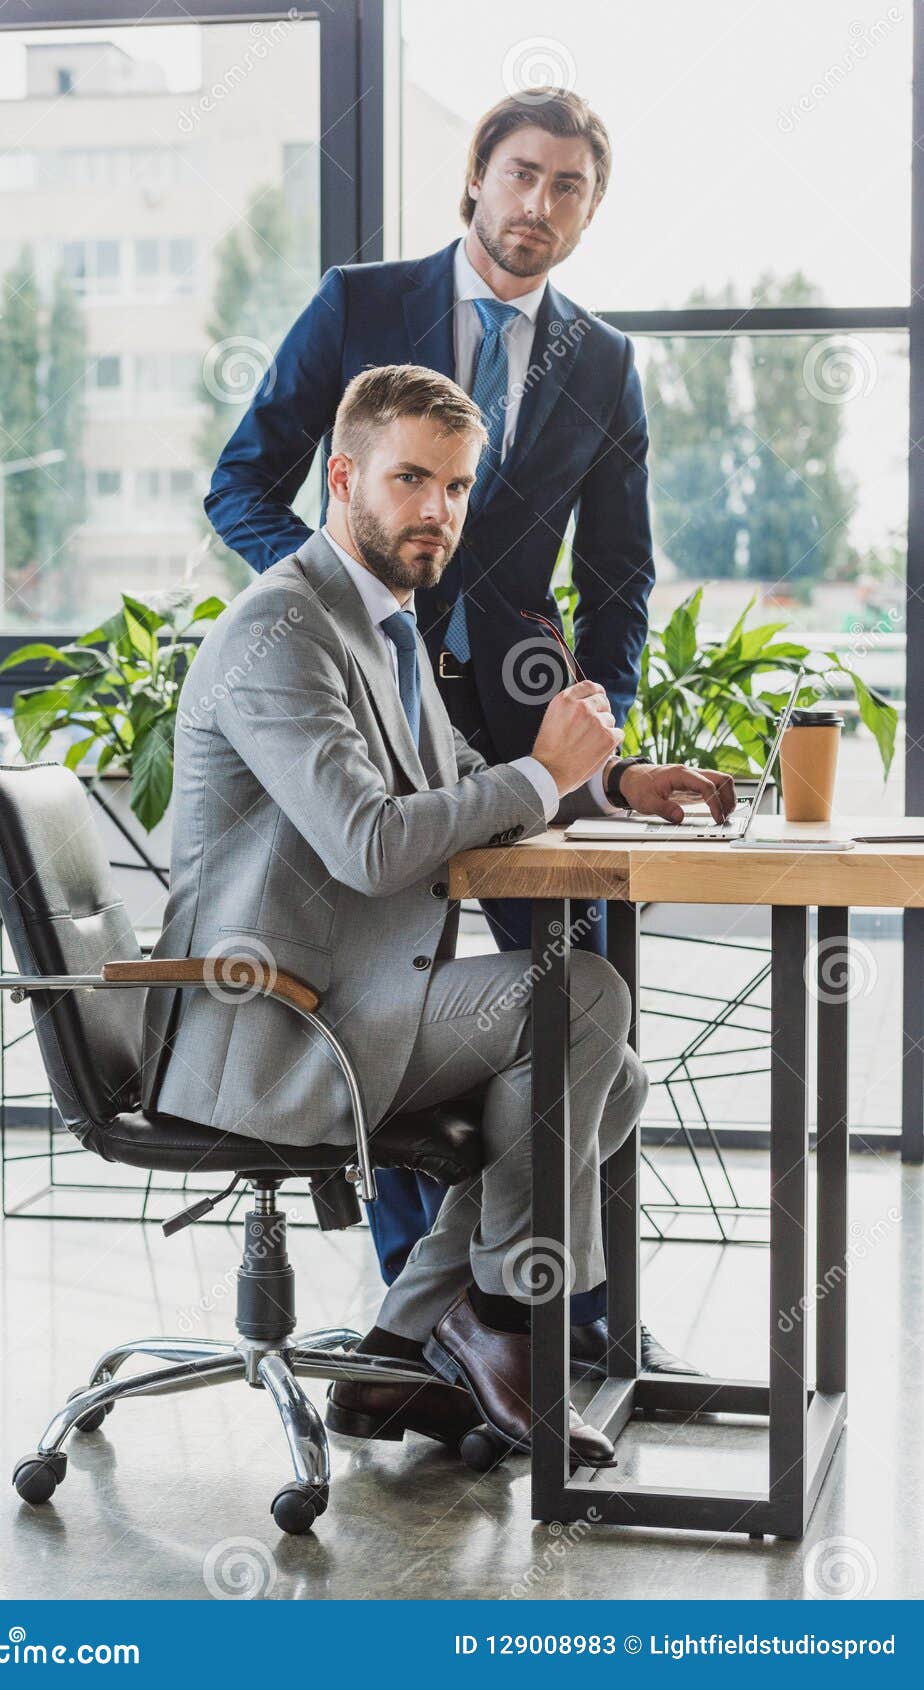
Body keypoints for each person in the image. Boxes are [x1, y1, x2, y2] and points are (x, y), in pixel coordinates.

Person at [144, 365, 736, 1454]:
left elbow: (463, 778)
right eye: (411, 479)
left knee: (612, 1068)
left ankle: (406, 1349)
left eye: (458, 487)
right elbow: (372, 842)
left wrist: (609, 783)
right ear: (342, 477)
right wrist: (540, 780)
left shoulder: (391, 630)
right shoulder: (283, 629)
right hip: (276, 1021)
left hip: (358, 998)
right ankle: (510, 1318)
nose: (438, 511)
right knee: (582, 1000)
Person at [205, 86, 676, 1374]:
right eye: (523, 174)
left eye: (571, 186)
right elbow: (242, 477)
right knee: (395, 985)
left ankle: (549, 1321)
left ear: (590, 207)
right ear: (476, 176)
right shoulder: (361, 304)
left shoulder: (606, 362)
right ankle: (442, 1338)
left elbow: (620, 580)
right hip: (361, 696)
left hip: (517, 742)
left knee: (569, 1026)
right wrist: (355, 605)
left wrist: (600, 735)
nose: (540, 205)